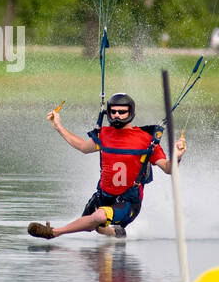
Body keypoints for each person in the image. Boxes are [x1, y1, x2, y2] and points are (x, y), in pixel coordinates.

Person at [28, 92, 186, 240]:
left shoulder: (145, 139)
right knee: (93, 225)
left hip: (128, 201)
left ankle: (54, 232)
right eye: (113, 111)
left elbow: (167, 168)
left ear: (131, 112)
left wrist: (177, 156)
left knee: (98, 217)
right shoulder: (104, 134)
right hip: (103, 195)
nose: (117, 115)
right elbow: (83, 147)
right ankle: (115, 233)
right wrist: (59, 127)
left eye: (122, 112)